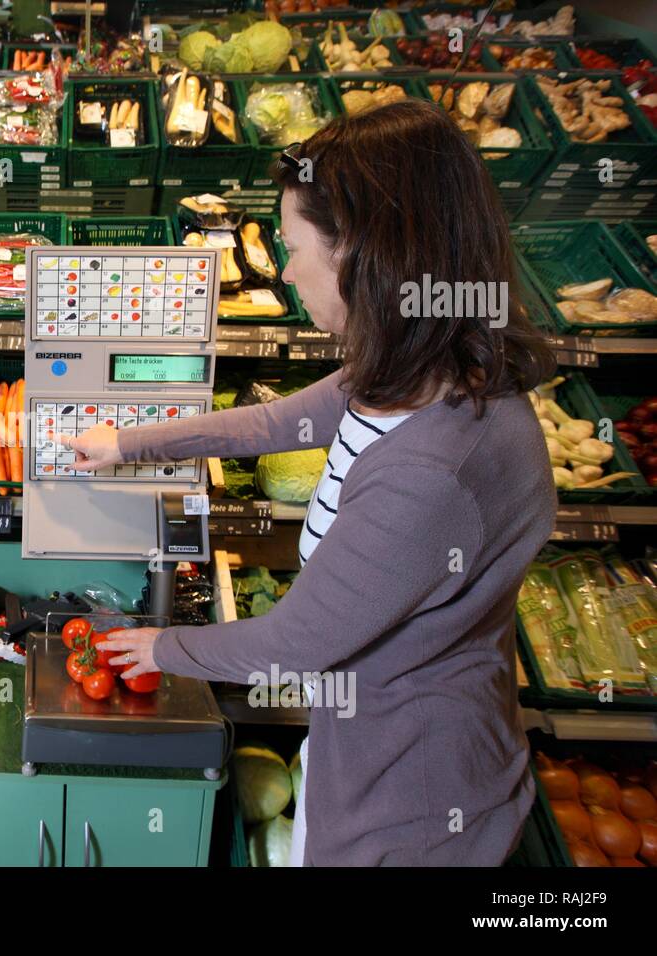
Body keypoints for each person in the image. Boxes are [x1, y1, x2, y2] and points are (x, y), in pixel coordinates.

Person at [60, 100, 558, 866]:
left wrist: (160, 647)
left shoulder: (431, 473)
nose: (285, 270)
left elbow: (295, 645)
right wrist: (125, 441)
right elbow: (273, 425)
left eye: (294, 247)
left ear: (366, 255)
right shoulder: (431, 366)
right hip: (396, 744)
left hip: (411, 809)